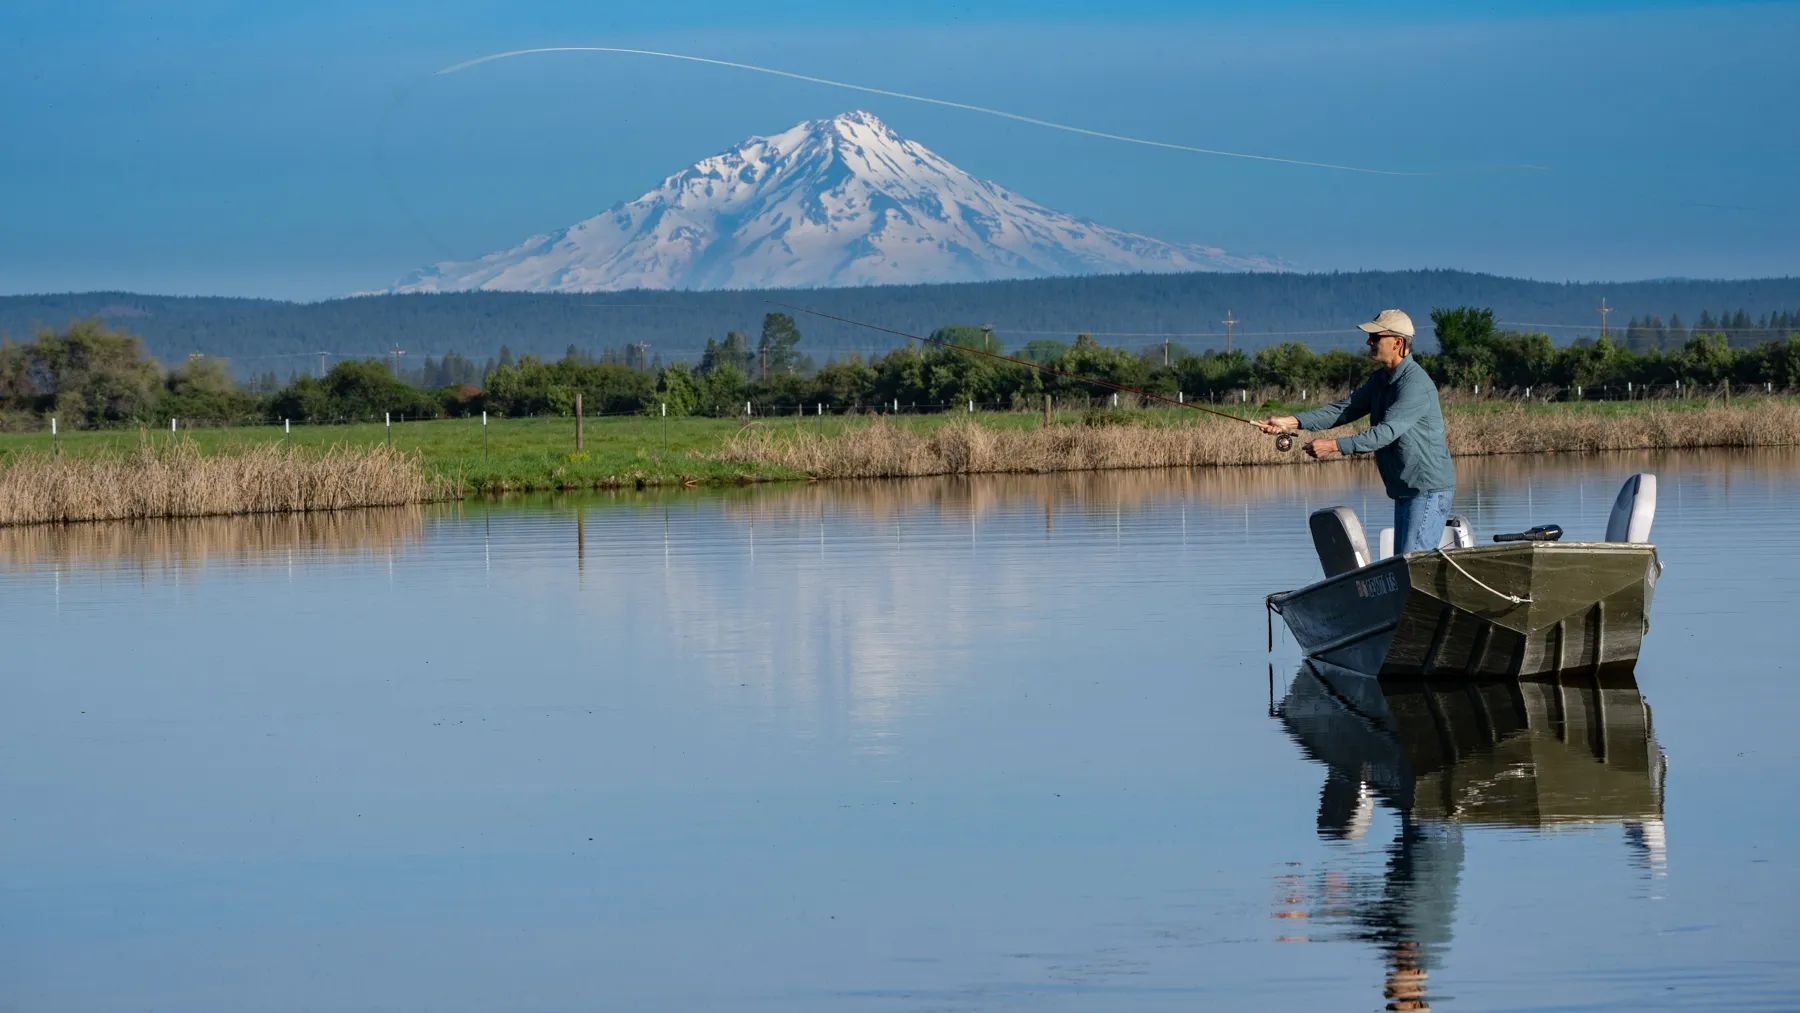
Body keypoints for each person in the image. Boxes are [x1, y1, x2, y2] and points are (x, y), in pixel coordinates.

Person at [1259, 309, 1455, 555]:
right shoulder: (1381, 379)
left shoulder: (1415, 385)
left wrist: (1333, 446)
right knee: (1405, 565)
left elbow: (1384, 434)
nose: (1369, 342)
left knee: (1411, 567)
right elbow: (1343, 410)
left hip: (1427, 491)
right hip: (1405, 489)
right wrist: (1290, 422)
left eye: (1375, 337)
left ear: (1398, 343)